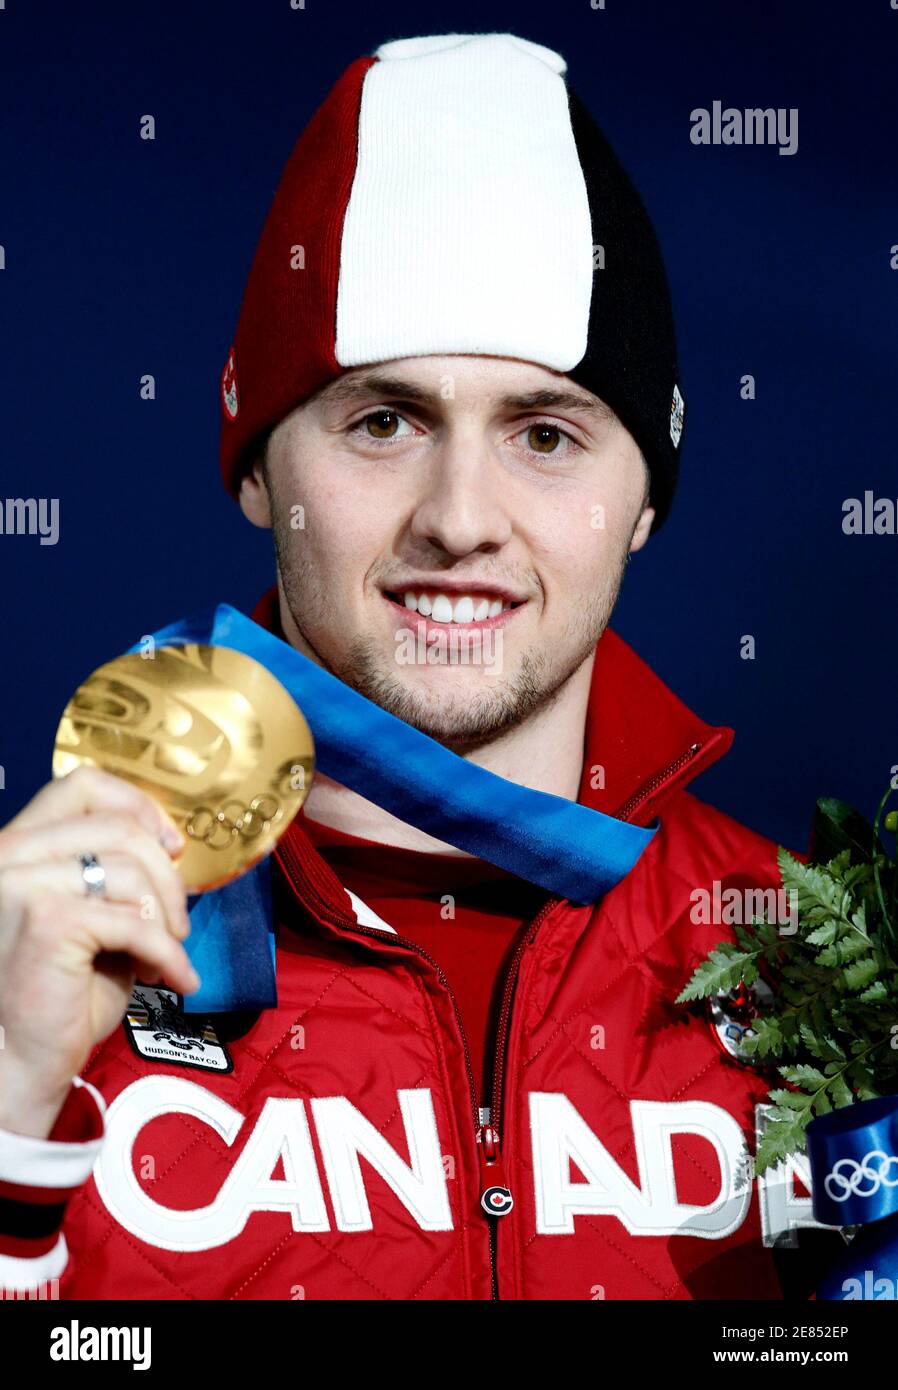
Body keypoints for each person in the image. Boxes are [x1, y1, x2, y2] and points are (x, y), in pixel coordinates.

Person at [0, 32, 813, 1300]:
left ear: (645, 497)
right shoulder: (38, 957)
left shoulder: (823, 963)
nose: (460, 517)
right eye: (384, 421)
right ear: (259, 469)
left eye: (546, 433)